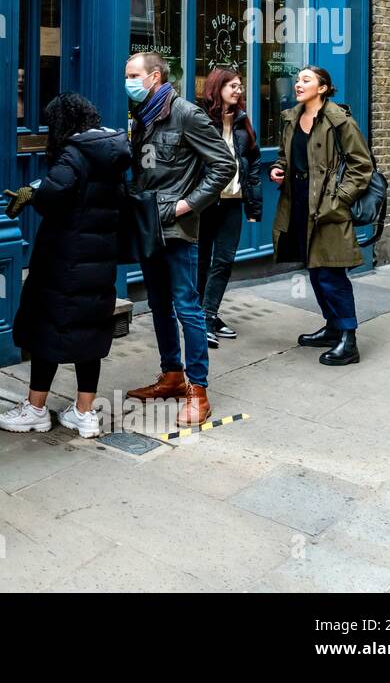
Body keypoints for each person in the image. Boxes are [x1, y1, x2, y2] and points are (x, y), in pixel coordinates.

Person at [0, 93, 132, 437]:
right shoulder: (112, 153)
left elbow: (54, 195)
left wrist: (33, 194)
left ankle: (36, 409)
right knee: (89, 330)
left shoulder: (74, 153)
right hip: (99, 260)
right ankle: (84, 413)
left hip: (64, 259)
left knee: (47, 328)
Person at [124, 52, 235, 426]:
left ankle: (198, 391)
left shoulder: (186, 113)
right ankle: (172, 375)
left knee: (187, 306)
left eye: (133, 74)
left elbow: (224, 163)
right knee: (158, 303)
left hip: (177, 227)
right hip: (146, 224)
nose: (128, 81)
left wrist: (189, 205)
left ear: (155, 77)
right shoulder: (142, 116)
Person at [269, 66, 373, 366]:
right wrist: (278, 168)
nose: (298, 84)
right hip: (299, 204)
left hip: (328, 208)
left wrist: (340, 199)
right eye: (298, 80)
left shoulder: (340, 121)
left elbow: (361, 165)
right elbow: (285, 156)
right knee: (315, 271)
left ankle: (348, 339)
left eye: (306, 80)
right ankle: (332, 327)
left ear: (323, 88)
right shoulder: (290, 118)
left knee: (331, 273)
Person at [196, 68, 262, 348]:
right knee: (199, 262)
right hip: (204, 204)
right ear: (217, 87)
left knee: (223, 261)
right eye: (233, 86)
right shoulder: (200, 120)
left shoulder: (242, 122)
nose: (238, 90)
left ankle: (209, 315)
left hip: (232, 202)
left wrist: (254, 205)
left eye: (240, 86)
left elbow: (254, 163)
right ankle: (198, 317)